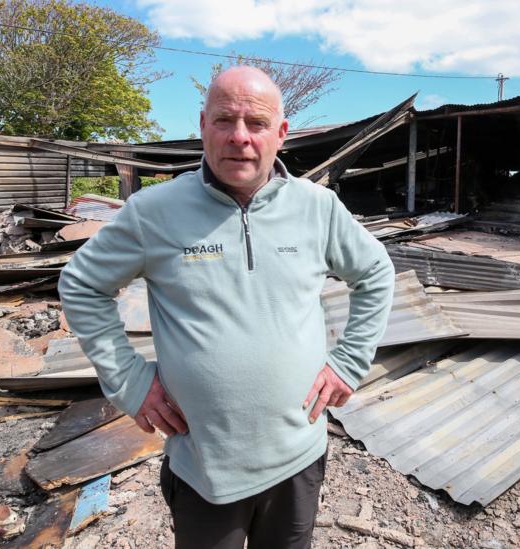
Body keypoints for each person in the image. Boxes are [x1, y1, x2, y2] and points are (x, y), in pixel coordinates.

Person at [58, 66, 395, 549]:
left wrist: (348, 363)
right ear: (203, 126)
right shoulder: (154, 212)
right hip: (205, 468)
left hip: (298, 455)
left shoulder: (317, 208)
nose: (240, 137)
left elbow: (376, 273)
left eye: (256, 123)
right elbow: (82, 286)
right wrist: (130, 383)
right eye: (224, 120)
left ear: (281, 133)